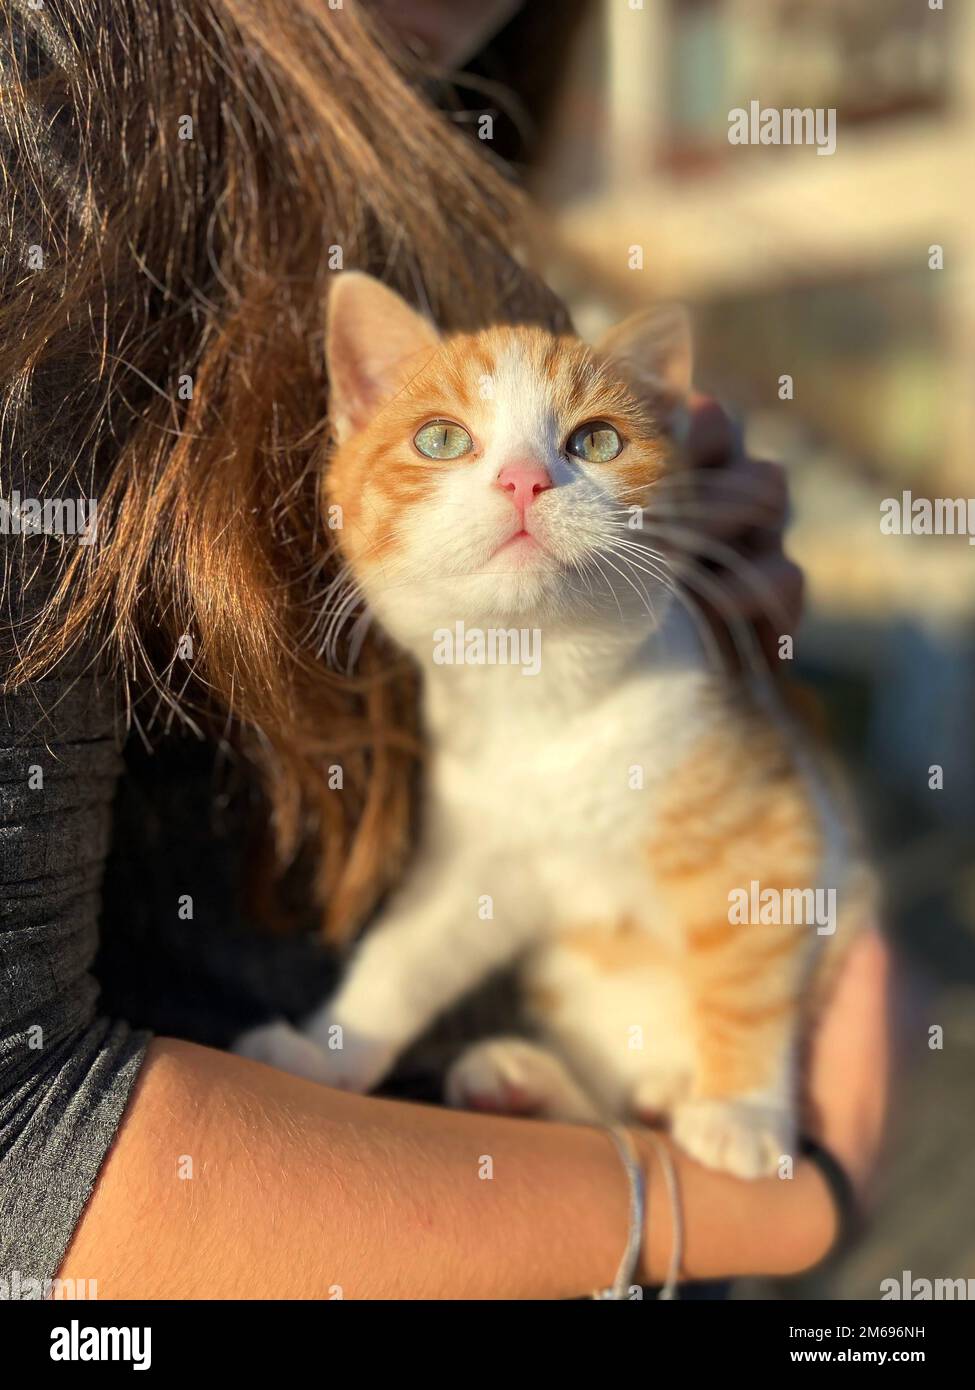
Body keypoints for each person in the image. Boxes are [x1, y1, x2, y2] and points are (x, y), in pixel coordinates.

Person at [0, 0, 889, 1298]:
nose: (522, 480)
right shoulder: (57, 98)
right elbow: (25, 1154)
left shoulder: (446, 136)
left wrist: (694, 573)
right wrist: (784, 1207)